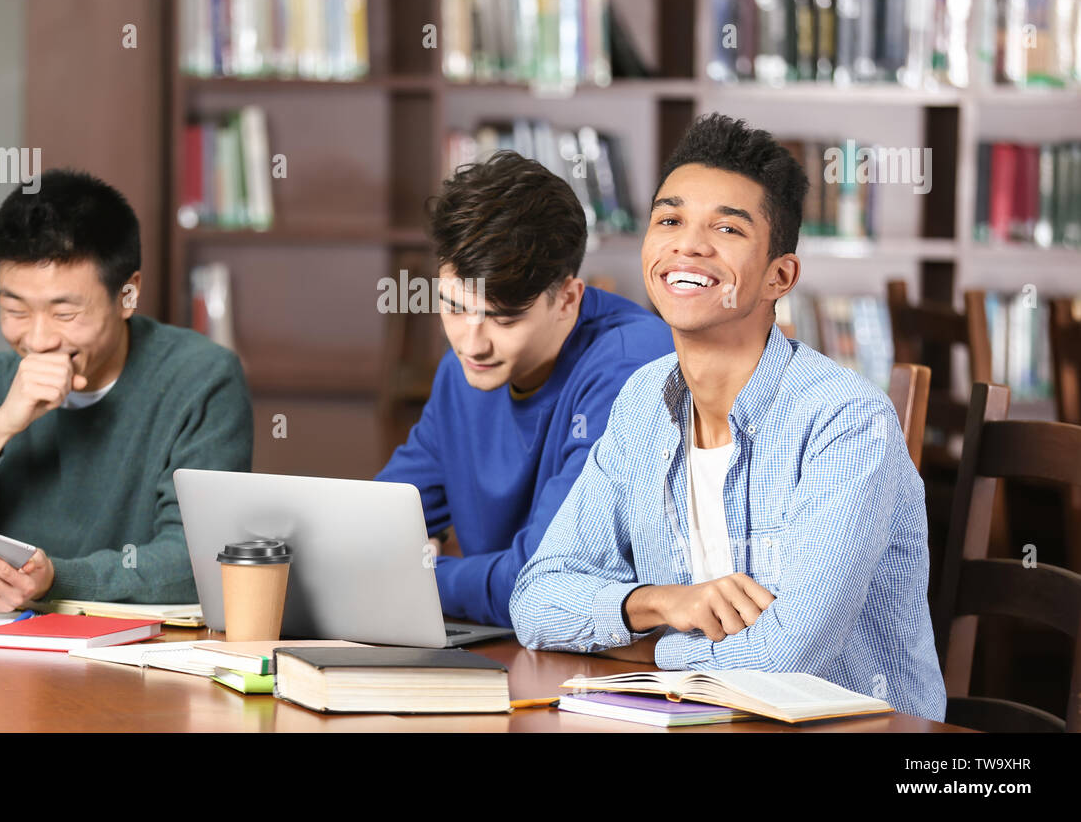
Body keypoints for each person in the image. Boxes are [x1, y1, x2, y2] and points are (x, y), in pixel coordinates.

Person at [510, 113, 946, 721]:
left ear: (779, 276)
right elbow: (536, 600)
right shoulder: (642, 403)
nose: (687, 245)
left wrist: (644, 642)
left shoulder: (846, 422)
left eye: (726, 228)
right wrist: (665, 603)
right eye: (669, 220)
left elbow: (789, 657)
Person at [0, 170, 252, 610]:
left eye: (64, 313)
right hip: (7, 652)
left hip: (148, 653)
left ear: (128, 294)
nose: (37, 340)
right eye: (14, 309)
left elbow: (197, 562)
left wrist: (57, 580)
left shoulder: (202, 379)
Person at [375, 150, 675, 628]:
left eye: (504, 319)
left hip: (608, 668)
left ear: (568, 299)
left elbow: (546, 581)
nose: (470, 342)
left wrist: (420, 575)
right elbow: (373, 528)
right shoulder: (464, 370)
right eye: (453, 308)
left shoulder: (632, 365)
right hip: (510, 647)